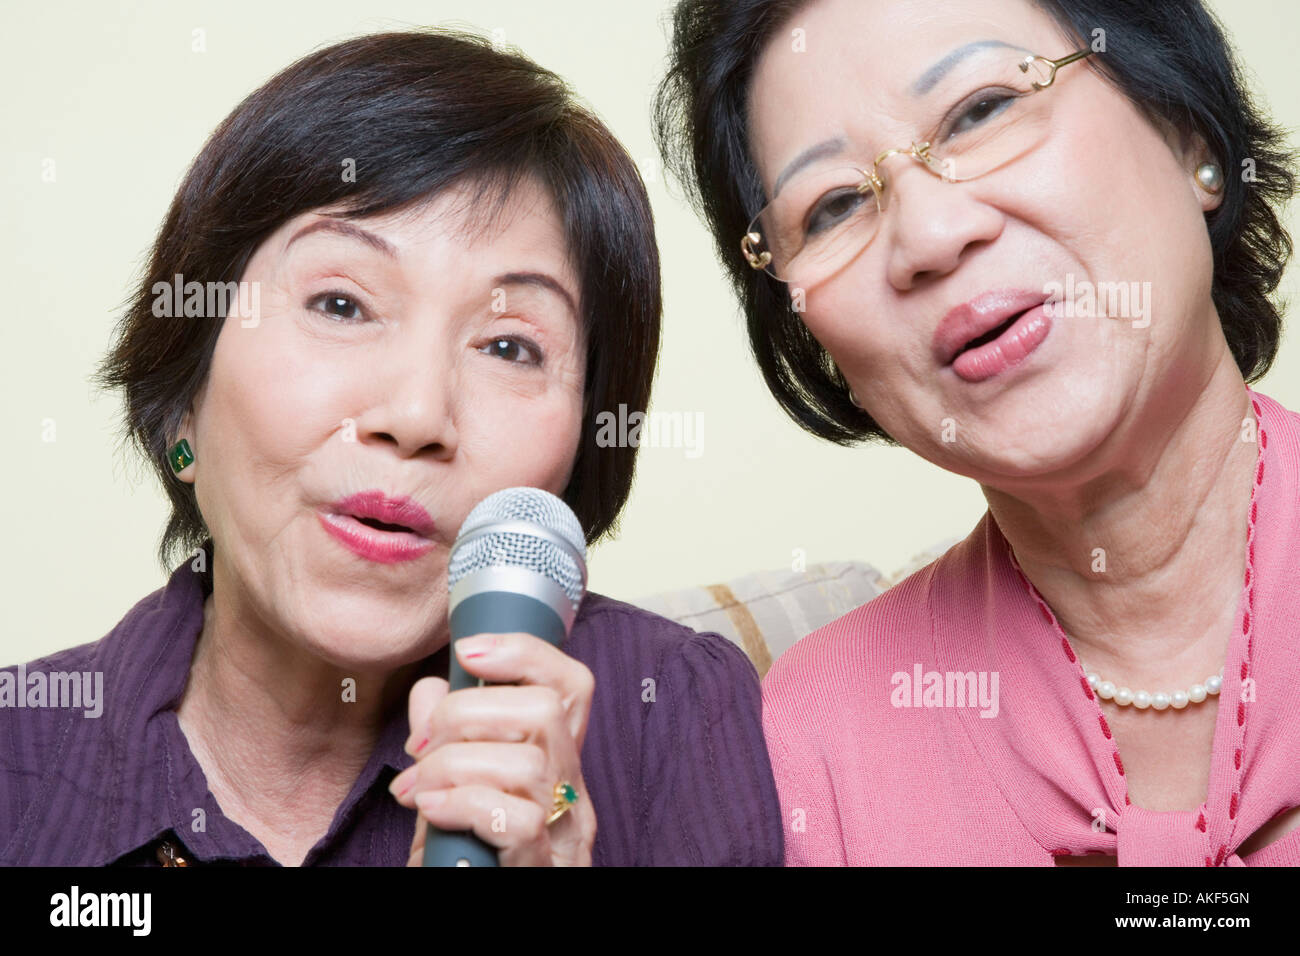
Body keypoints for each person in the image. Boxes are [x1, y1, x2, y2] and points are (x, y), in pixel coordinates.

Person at [0, 29, 782, 867]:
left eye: (510, 347)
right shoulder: (22, 767)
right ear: (183, 396)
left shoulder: (668, 715)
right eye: (341, 304)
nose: (415, 415)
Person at [654, 0, 1299, 864]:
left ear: (1189, 136)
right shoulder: (813, 745)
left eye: (982, 110)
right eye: (836, 206)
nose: (928, 236)